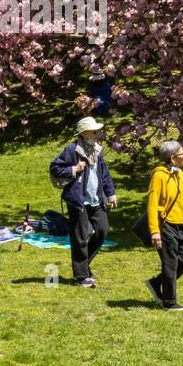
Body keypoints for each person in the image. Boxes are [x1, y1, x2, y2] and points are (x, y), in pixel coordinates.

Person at [50, 116, 118, 287]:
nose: (97, 133)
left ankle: (84, 263)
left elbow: (104, 174)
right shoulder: (72, 150)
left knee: (102, 231)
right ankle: (81, 276)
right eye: (94, 131)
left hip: (96, 199)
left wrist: (111, 194)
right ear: (84, 133)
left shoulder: (97, 150)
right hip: (78, 200)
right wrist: (73, 169)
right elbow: (55, 167)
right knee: (79, 237)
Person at [144, 141, 183, 311]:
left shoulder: (180, 174)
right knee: (170, 263)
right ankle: (169, 302)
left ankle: (156, 283)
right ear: (173, 159)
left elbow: (180, 197)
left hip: (179, 225)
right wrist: (154, 232)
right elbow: (152, 205)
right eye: (182, 154)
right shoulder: (159, 175)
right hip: (164, 224)